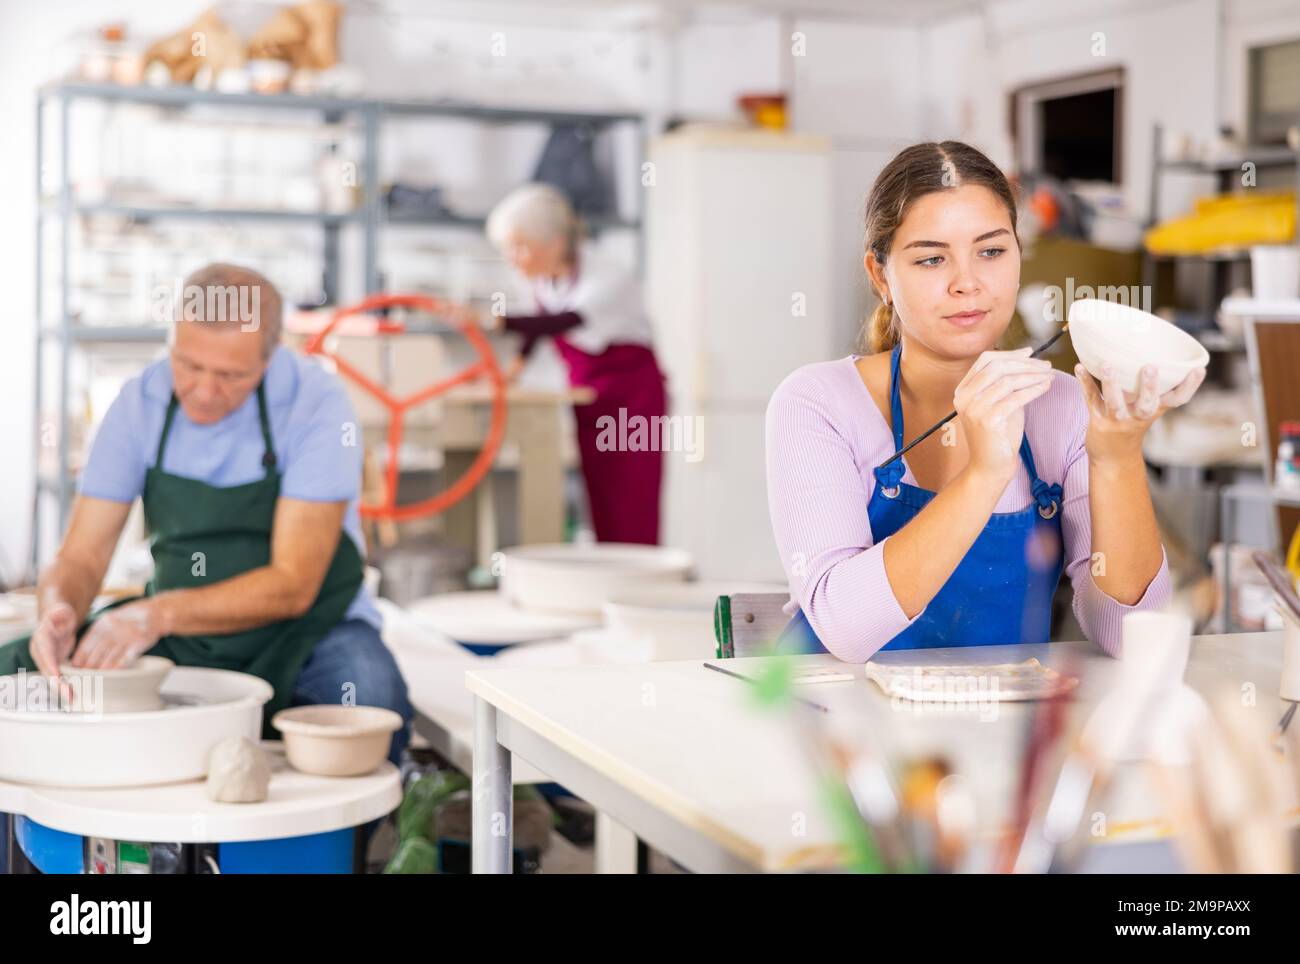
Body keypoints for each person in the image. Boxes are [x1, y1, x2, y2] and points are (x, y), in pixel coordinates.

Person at [765, 141, 1204, 662]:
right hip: (837, 729)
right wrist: (983, 474)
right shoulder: (817, 404)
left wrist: (1118, 455)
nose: (967, 283)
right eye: (931, 259)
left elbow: (1131, 637)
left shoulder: (1063, 406)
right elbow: (845, 629)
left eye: (991, 251)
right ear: (881, 276)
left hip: (995, 732)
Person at [0, 263, 413, 760]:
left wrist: (156, 614)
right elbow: (83, 556)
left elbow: (293, 585)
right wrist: (60, 608)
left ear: (271, 355)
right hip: (184, 629)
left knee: (369, 700)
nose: (204, 391)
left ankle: (349, 839)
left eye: (230, 375)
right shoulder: (138, 405)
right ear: (172, 341)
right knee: (13, 676)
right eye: (189, 366)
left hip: (311, 627)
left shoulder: (316, 404)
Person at [482, 183, 667, 545]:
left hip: (633, 401)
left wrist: (493, 321)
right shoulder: (544, 280)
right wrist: (514, 368)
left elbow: (561, 322)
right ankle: (608, 586)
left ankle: (636, 590)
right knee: (599, 498)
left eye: (520, 247)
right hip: (591, 399)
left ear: (552, 242)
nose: (513, 258)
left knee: (632, 499)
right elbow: (539, 326)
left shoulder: (607, 273)